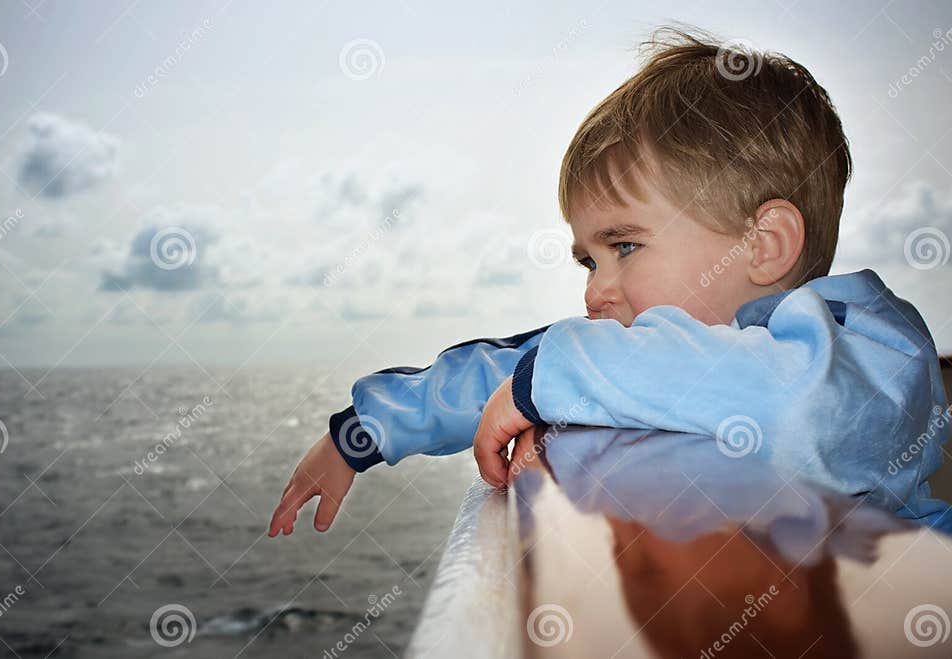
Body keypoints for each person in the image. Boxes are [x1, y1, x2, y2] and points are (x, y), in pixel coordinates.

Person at [268, 25, 951, 538]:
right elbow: (516, 369)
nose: (596, 290)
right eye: (589, 261)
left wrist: (558, 376)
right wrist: (363, 431)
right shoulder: (629, 355)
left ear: (763, 244)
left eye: (624, 246)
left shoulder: (871, 352)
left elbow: (800, 410)